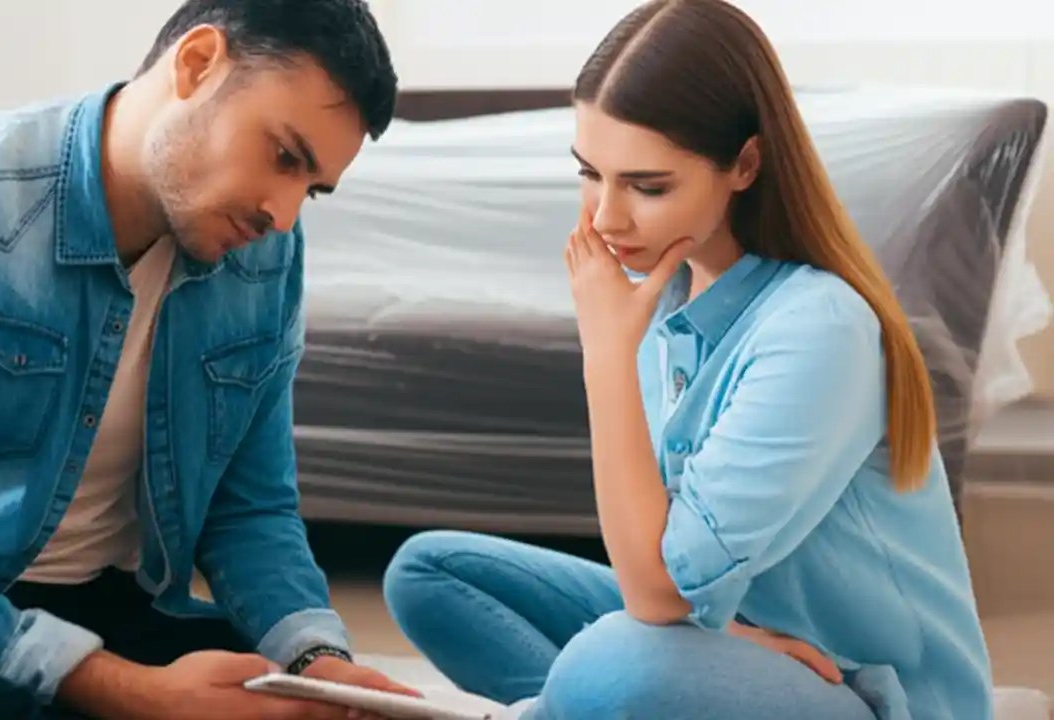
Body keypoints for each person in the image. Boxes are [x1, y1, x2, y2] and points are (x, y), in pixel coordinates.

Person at [0, 1, 414, 718]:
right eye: (284, 156)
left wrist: (315, 660)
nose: (286, 213)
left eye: (313, 188)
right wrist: (126, 690)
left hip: (103, 608)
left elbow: (251, 512)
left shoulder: (265, 255)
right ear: (198, 64)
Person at [383, 1, 992, 718]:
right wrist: (727, 635)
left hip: (859, 688)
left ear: (745, 164)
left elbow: (655, 590)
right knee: (427, 573)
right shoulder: (666, 304)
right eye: (591, 174)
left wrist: (605, 353)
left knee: (612, 663)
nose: (607, 218)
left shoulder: (818, 327)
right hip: (735, 635)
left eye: (647, 186)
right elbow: (666, 579)